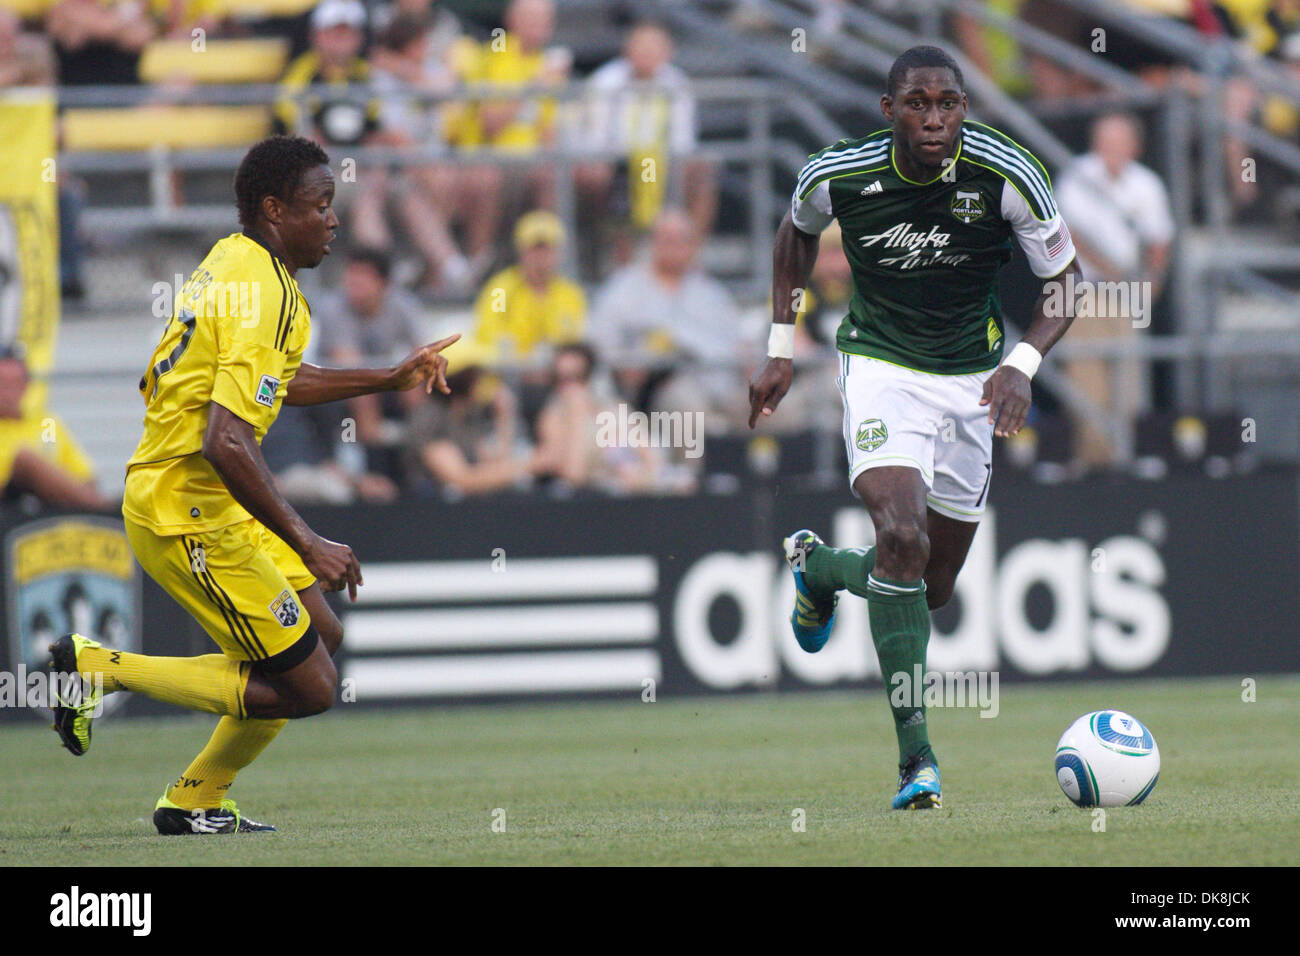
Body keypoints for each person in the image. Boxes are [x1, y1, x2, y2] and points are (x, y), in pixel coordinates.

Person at [46, 135, 460, 835]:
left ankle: (195, 800)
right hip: (185, 509)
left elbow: (280, 380)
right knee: (310, 688)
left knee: (319, 642)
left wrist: (386, 377)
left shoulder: (241, 265)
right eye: (319, 205)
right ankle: (97, 667)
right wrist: (309, 538)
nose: (333, 219)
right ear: (274, 208)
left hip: (208, 498)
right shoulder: (261, 289)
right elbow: (226, 438)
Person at [748, 46, 1080, 810]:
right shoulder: (838, 173)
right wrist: (779, 344)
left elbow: (1067, 282)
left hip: (975, 380)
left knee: (929, 587)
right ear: (888, 110)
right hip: (881, 368)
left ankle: (820, 571)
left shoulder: (1008, 173)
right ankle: (917, 763)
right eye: (919, 103)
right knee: (900, 535)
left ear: (965, 107)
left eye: (949, 104)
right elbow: (796, 235)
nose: (935, 119)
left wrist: (1023, 364)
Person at [1054, 112, 1174, 470]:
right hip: (1083, 290)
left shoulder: (1146, 183)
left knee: (1130, 379)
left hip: (1127, 292)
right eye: (1104, 141)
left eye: (1118, 141)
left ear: (1134, 146)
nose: (1110, 149)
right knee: (1086, 377)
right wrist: (1118, 273)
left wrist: (1152, 279)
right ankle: (1092, 463)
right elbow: (1070, 234)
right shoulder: (1077, 175)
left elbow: (1159, 238)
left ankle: (1127, 458)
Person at [0, 346, 112, 512]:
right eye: (3, 384)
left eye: (14, 384)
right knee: (26, 460)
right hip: (9, 506)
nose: (8, 394)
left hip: (48, 511)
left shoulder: (46, 423)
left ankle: (106, 512)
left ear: (26, 386)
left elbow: (85, 477)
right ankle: (110, 513)